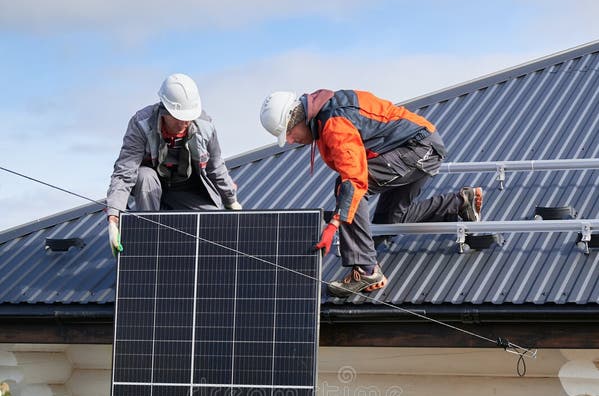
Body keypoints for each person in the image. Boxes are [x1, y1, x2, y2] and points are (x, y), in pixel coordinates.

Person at [259, 89, 483, 297]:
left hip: (418, 148)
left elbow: (354, 179)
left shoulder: (334, 122)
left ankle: (367, 270)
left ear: (298, 118)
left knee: (347, 187)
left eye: (289, 132)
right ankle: (461, 202)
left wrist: (334, 224)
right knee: (390, 221)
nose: (290, 140)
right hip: (414, 146)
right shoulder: (325, 114)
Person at [106, 73, 242, 255]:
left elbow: (215, 166)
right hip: (152, 190)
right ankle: (150, 243)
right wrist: (114, 219)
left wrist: (231, 201)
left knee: (212, 223)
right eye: (179, 117)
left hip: (187, 190)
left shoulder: (205, 126)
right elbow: (124, 173)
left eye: (189, 116)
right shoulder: (141, 124)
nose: (185, 122)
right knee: (144, 176)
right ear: (165, 111)